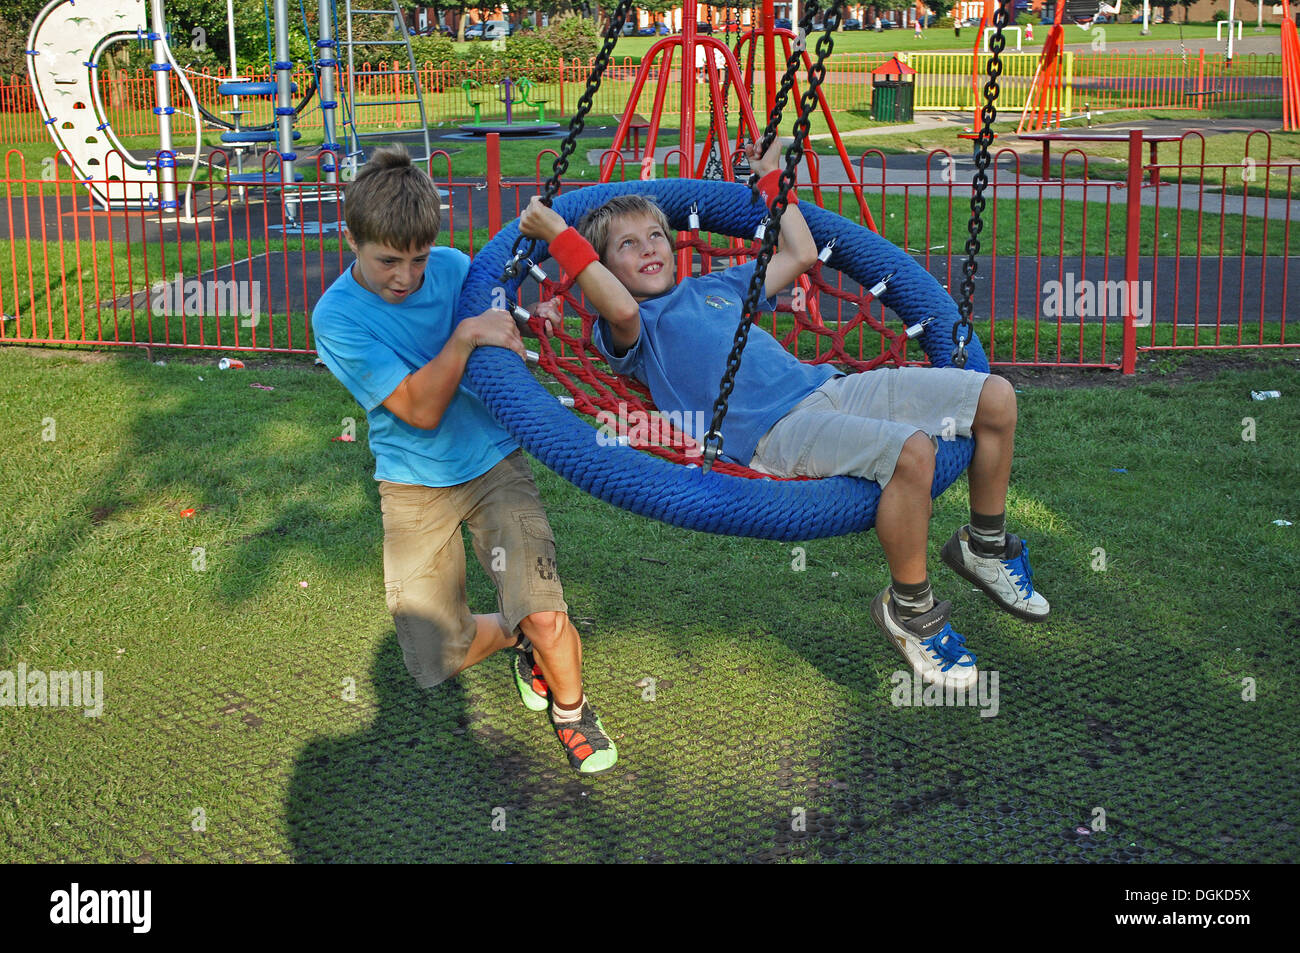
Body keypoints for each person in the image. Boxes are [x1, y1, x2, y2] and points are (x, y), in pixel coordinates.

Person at [519, 140, 1049, 691]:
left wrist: (773, 179)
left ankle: (984, 545)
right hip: (774, 433)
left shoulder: (716, 287)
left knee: (995, 397)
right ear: (603, 266)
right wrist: (560, 236)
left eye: (655, 235)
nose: (648, 249)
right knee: (913, 452)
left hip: (829, 386)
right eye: (626, 245)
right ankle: (910, 609)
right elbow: (620, 305)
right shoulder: (629, 329)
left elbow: (799, 254)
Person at [311, 146, 616, 773]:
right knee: (433, 657)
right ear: (351, 239)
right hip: (412, 480)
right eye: (388, 260)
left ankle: (571, 710)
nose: (405, 277)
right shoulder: (336, 317)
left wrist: (534, 319)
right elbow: (419, 410)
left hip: (494, 461)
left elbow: (499, 326)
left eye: (417, 259)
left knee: (545, 613)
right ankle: (519, 636)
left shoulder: (452, 267)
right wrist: (465, 335)